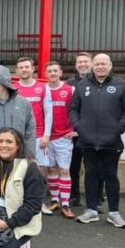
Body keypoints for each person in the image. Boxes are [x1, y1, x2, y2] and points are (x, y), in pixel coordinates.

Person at [69, 53, 125, 228]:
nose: (100, 67)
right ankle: (91, 210)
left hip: (111, 140)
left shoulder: (121, 84)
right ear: (93, 66)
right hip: (87, 140)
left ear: (110, 65)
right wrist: (79, 127)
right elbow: (73, 108)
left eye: (103, 64)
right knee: (90, 174)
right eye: (97, 64)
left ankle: (114, 212)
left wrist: (118, 129)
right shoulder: (83, 85)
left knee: (110, 175)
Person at [13, 57, 53, 216]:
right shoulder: (13, 88)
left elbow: (48, 112)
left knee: (40, 170)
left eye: (27, 67)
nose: (24, 70)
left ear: (33, 69)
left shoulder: (43, 88)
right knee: (17, 169)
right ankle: (19, 201)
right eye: (21, 67)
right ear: (16, 71)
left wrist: (47, 135)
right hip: (18, 137)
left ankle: (40, 201)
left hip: (38, 136)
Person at [41, 61, 77, 219]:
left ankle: (65, 203)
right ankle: (55, 199)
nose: (53, 73)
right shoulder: (43, 89)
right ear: (45, 73)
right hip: (47, 137)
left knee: (64, 170)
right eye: (50, 71)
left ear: (61, 72)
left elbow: (79, 110)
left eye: (55, 71)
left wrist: (77, 130)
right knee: (52, 169)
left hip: (64, 136)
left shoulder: (70, 90)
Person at [66, 52, 93, 207]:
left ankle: (95, 199)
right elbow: (68, 109)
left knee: (94, 168)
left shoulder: (98, 82)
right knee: (73, 166)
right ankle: (73, 195)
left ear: (91, 63)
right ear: (76, 65)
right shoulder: (69, 83)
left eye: (85, 61)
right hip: (73, 132)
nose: (83, 64)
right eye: (80, 62)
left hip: (91, 133)